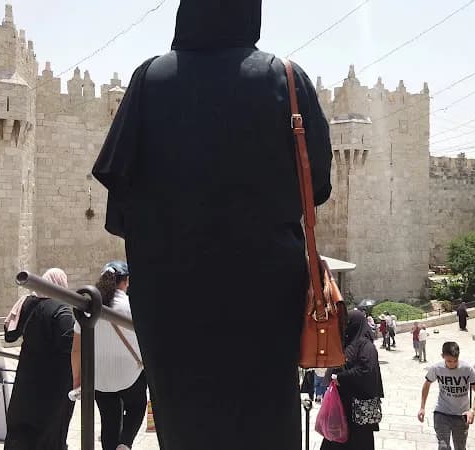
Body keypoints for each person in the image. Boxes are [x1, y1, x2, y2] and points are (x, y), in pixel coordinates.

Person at [91, 1, 332, 448]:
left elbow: (120, 206)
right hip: (265, 303)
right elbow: (316, 189)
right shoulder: (286, 78)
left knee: (186, 423)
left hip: (172, 305)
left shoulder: (149, 80)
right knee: (265, 420)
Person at [71, 261, 146, 450]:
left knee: (108, 420)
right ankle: (125, 442)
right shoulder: (133, 306)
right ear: (126, 281)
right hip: (129, 376)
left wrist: (78, 379)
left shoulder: (87, 308)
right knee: (137, 406)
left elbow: (77, 349)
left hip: (99, 379)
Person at [4, 268, 75, 450]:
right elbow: (68, 347)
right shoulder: (61, 310)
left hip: (25, 383)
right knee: (49, 436)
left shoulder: (26, 305)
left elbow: (10, 334)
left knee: (21, 435)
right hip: (51, 389)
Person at [321, 310, 384, 450]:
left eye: (348, 323)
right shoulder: (347, 343)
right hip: (342, 406)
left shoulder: (366, 346)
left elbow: (366, 370)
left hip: (358, 411)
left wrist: (340, 377)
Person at [418, 342, 475, 450]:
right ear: (442, 356)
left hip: (461, 415)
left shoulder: (467, 369)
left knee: (460, 447)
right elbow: (426, 384)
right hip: (442, 412)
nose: (452, 364)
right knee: (443, 446)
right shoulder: (436, 368)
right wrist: (422, 407)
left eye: (455, 361)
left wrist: (472, 411)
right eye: (448, 361)